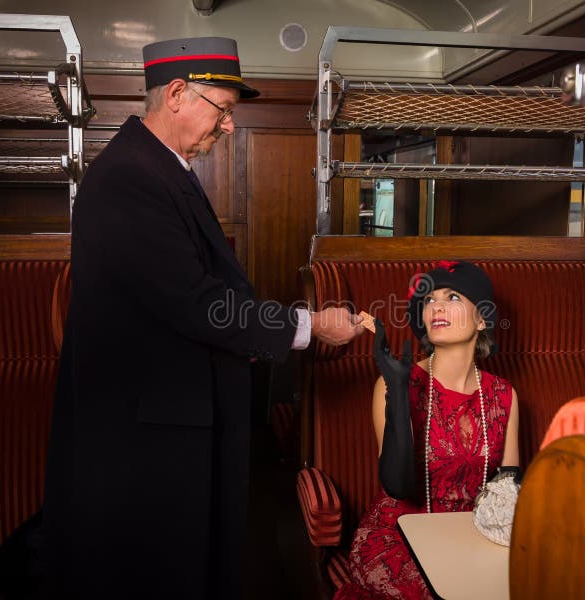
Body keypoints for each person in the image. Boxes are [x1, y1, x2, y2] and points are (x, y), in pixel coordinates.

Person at [41, 37, 363, 599]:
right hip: (147, 444)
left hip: (171, 424)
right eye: (224, 110)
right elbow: (196, 301)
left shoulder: (157, 168)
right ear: (176, 95)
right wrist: (311, 325)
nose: (230, 127)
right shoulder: (129, 179)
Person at [336, 260, 520, 600]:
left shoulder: (503, 394)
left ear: (482, 319)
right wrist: (399, 392)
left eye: (452, 297)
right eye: (429, 300)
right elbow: (397, 485)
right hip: (398, 537)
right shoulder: (392, 385)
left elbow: (508, 489)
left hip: (471, 537)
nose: (436, 305)